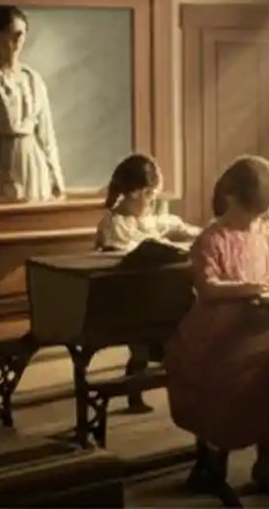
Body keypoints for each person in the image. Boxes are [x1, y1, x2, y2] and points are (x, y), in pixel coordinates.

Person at [164, 155, 269, 497]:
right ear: (230, 197)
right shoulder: (211, 239)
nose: (254, 221)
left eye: (259, 214)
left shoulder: (267, 230)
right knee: (222, 395)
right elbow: (207, 287)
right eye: (249, 213)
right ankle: (211, 462)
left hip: (260, 332)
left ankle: (266, 462)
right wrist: (249, 288)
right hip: (216, 336)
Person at [96, 154, 201, 413]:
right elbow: (129, 259)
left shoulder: (148, 219)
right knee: (145, 342)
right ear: (132, 193)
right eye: (148, 193)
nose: (153, 199)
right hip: (128, 298)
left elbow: (180, 228)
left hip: (152, 296)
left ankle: (175, 383)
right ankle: (138, 390)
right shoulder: (115, 224)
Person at [0, 5, 65, 207]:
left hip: (32, 159)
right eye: (10, 35)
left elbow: (46, 133)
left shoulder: (33, 79)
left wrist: (56, 177)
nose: (16, 43)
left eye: (20, 35)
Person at [96, 154, 201, 252]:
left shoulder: (142, 220)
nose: (153, 202)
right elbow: (145, 249)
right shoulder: (116, 227)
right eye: (149, 194)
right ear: (134, 193)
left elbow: (167, 225)